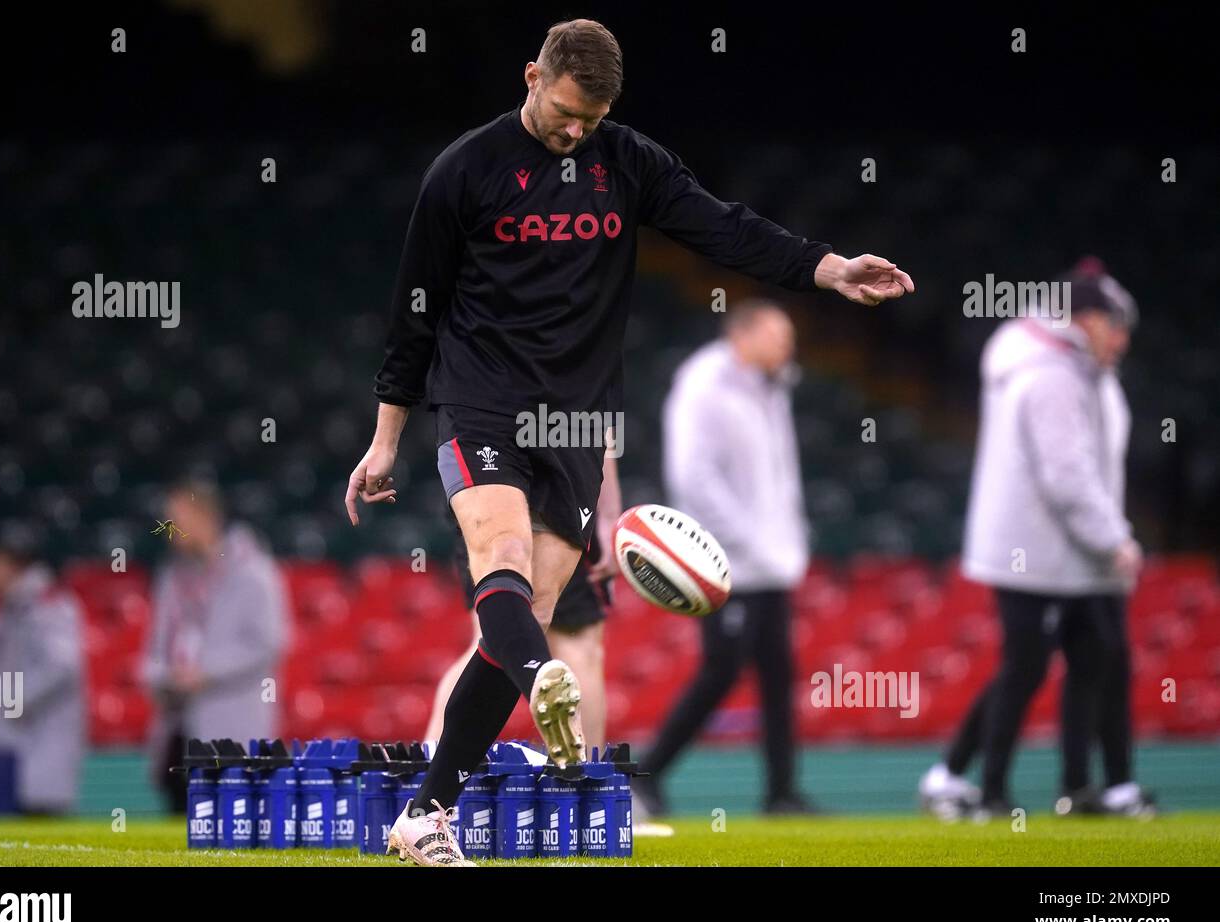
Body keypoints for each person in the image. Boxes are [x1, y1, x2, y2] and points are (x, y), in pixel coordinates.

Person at [346, 18, 912, 865]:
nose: (578, 131)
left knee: (531, 611)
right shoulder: (463, 170)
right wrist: (387, 437)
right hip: (480, 400)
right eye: (568, 111)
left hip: (578, 420)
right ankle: (542, 680)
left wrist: (829, 268)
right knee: (499, 559)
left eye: (594, 118)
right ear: (532, 74)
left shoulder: (629, 163)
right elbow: (413, 312)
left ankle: (425, 813)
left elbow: (728, 227)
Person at [919, 260, 1154, 819]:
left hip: (1064, 550)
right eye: (1115, 325)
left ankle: (1073, 789)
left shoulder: (1076, 367)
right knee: (1026, 665)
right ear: (1088, 321)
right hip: (1037, 550)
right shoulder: (1052, 374)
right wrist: (1114, 539)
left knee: (1088, 658)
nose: (1122, 339)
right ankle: (977, 786)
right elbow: (1066, 474)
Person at [633, 300, 815, 818]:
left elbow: (777, 475)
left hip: (771, 561)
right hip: (726, 562)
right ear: (743, 335)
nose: (788, 346)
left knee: (778, 674)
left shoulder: (770, 385)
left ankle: (782, 793)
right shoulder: (705, 385)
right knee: (721, 671)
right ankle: (648, 777)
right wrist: (740, 541)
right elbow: (694, 477)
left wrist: (783, 541)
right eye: (779, 335)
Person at [426, 455, 620, 752]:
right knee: (578, 645)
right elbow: (596, 420)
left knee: (488, 637)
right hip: (559, 474)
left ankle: (432, 769)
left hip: (481, 477)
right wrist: (607, 516)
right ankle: (586, 782)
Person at [143, 479, 289, 812]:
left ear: (204, 517)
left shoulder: (254, 571)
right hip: (178, 721)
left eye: (175, 521)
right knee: (179, 819)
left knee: (229, 820)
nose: (169, 530)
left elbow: (269, 642)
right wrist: (161, 676)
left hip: (231, 721)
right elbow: (154, 647)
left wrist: (206, 673)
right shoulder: (173, 576)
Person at [0, 526, 86, 815]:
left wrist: (15, 702)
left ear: (16, 565)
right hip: (12, 747)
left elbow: (62, 666)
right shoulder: (11, 607)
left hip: (40, 745)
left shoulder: (48, 603)